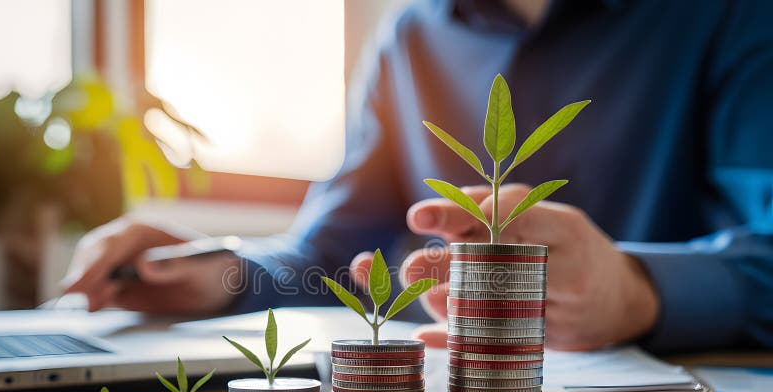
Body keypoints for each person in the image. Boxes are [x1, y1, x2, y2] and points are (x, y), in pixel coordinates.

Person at [63, 0, 773, 353]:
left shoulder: (732, 17)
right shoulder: (409, 37)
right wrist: (213, 268)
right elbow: (323, 260)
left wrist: (636, 291)